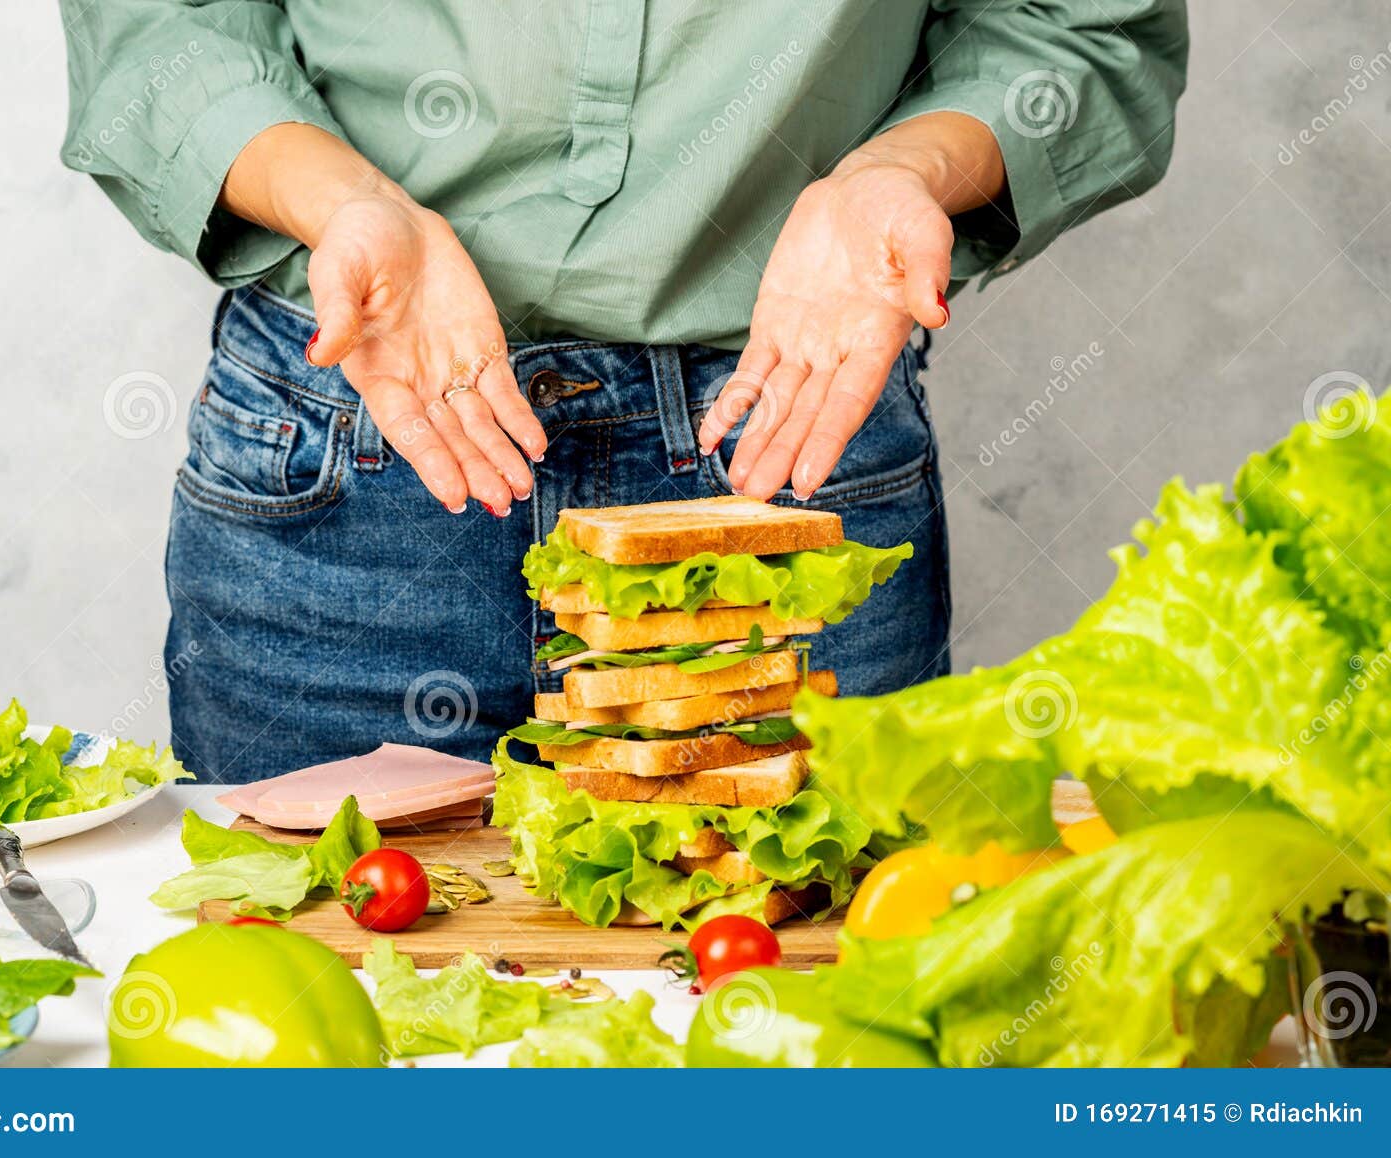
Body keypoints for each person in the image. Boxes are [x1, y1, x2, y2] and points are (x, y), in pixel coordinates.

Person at [60, 1, 1189, 783]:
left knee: (795, 1054)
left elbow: (1076, 27)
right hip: (360, 432)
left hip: (774, 442)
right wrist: (343, 201)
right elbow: (161, 25)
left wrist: (901, 174)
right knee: (319, 1040)